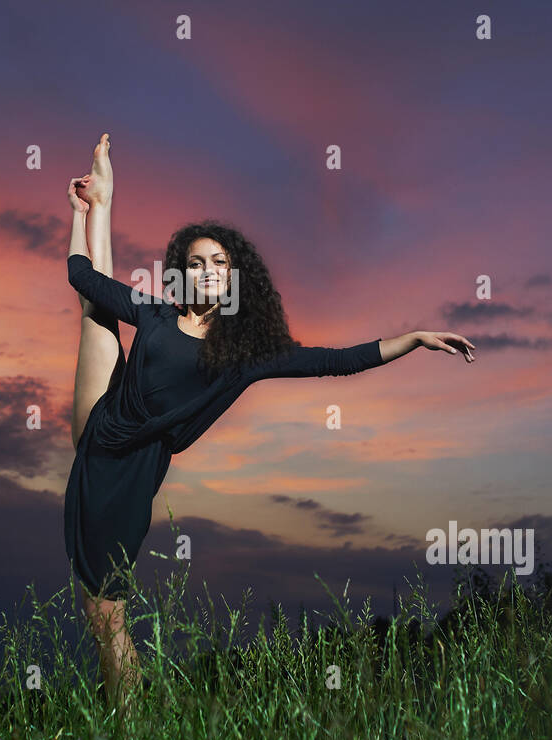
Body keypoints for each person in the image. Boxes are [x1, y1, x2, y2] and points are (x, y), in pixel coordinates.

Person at [65, 134, 475, 711]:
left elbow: (335, 362)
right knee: (95, 315)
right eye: (196, 262)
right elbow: (83, 276)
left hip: (129, 468)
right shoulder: (157, 312)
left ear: (235, 278)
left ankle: (133, 739)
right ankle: (103, 201)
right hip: (97, 420)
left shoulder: (245, 354)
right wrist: (78, 215)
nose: (208, 270)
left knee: (105, 617)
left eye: (220, 263)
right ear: (181, 271)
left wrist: (412, 339)